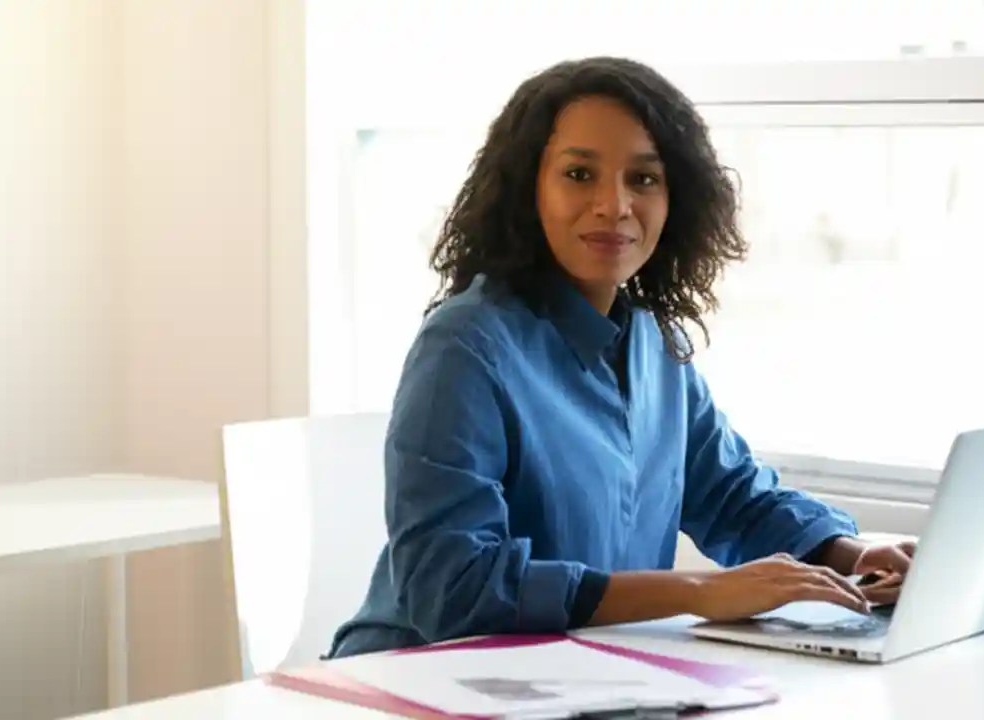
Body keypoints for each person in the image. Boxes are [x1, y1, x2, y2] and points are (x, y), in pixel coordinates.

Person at [328, 56, 915, 658]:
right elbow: (453, 589)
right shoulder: (464, 346)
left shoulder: (656, 346)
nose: (614, 205)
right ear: (528, 186)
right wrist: (696, 591)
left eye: (643, 179)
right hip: (409, 681)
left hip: (581, 678)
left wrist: (851, 554)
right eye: (579, 174)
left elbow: (732, 495)